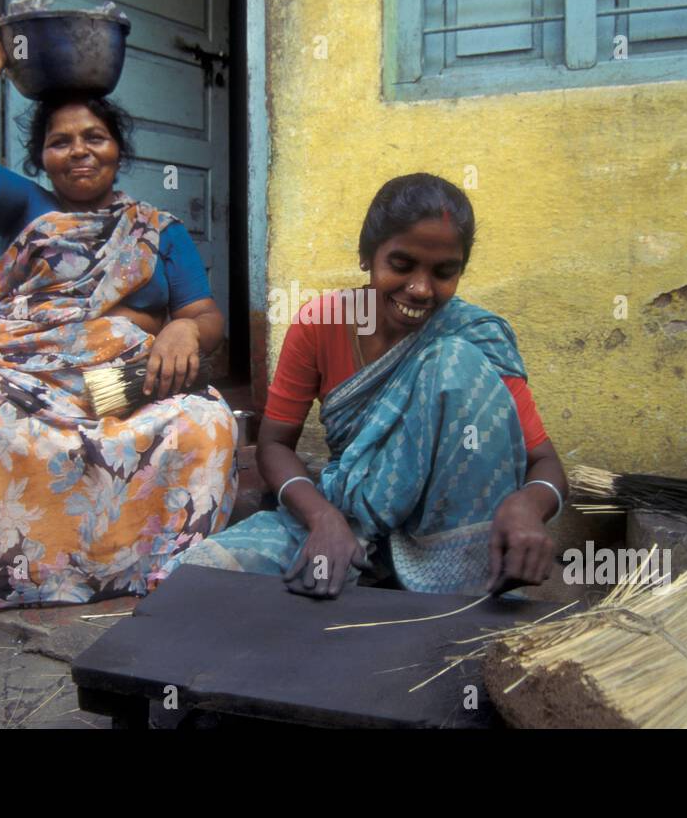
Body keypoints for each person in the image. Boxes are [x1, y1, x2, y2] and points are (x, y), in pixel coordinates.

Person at [0, 13, 237, 611]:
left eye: (94, 137)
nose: (79, 152)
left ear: (119, 150)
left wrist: (178, 325)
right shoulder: (24, 208)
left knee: (208, 421)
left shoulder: (158, 232)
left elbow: (205, 318)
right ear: (41, 160)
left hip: (112, 392)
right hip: (18, 386)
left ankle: (166, 573)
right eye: (60, 142)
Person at [178, 173, 566, 597]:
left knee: (454, 361)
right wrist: (323, 519)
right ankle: (379, 567)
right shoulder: (322, 323)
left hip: (444, 528)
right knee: (202, 577)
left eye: (444, 272)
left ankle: (440, 578)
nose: (420, 289)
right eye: (400, 265)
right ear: (367, 255)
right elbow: (274, 445)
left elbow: (544, 461)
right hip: (351, 514)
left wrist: (528, 505)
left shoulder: (474, 338)